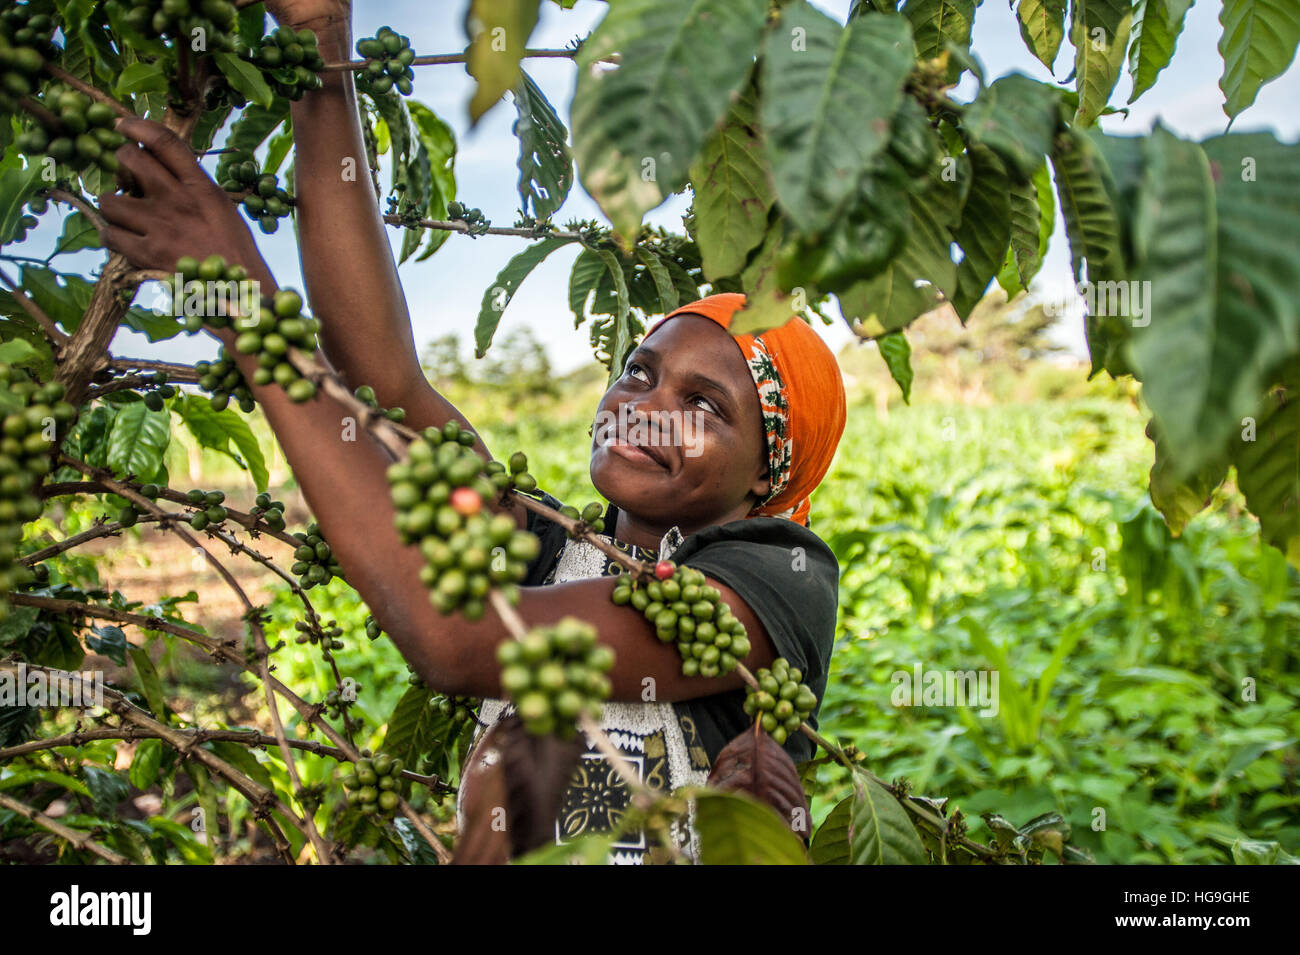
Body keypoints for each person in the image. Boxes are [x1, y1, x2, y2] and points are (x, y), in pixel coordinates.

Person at [97, 0, 846, 864]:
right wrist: (320, 53)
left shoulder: (773, 583)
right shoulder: (555, 549)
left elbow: (453, 639)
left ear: (768, 475)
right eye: (638, 371)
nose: (645, 404)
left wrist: (241, 301)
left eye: (704, 405)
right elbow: (382, 378)